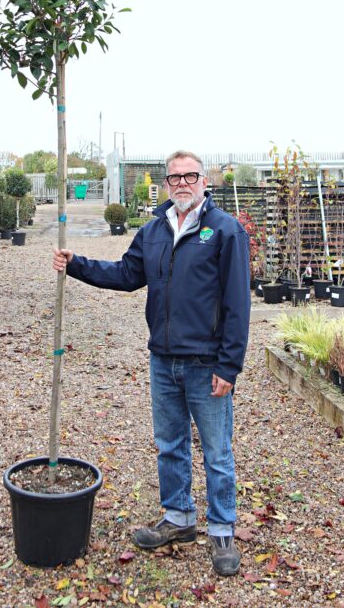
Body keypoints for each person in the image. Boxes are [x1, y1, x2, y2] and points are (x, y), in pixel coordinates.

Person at [53, 150, 251, 576]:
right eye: (175, 177)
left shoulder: (225, 231)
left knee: (217, 452)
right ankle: (178, 518)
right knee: (170, 445)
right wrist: (77, 266)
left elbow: (238, 303)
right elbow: (126, 274)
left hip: (206, 363)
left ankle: (221, 530)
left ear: (204, 181)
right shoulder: (154, 231)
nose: (182, 183)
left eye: (190, 176)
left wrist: (229, 366)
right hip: (163, 361)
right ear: (166, 184)